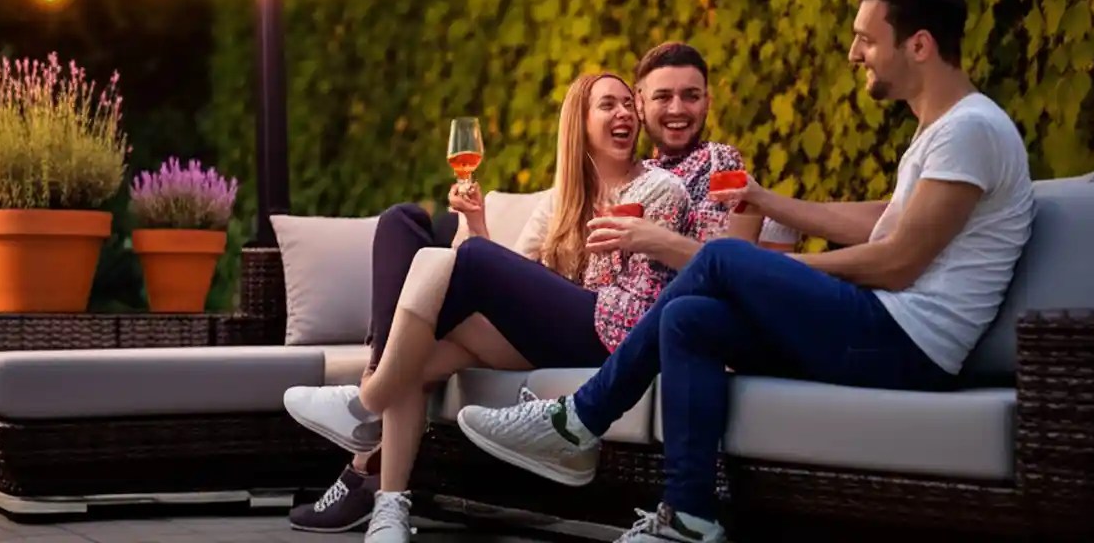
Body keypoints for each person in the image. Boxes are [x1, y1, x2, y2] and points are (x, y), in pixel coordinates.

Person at [455, 0, 1035, 543]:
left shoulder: (970, 129)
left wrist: (766, 271)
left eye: (867, 38)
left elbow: (898, 260)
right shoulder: (941, 132)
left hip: (910, 344)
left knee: (722, 262)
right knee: (689, 318)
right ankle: (688, 518)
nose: (856, 54)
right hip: (883, 329)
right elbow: (881, 222)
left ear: (919, 44)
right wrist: (763, 200)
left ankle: (580, 417)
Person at [288, 42, 752, 533]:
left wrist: (653, 238)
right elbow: (515, 276)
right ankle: (388, 504)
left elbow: (719, 266)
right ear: (635, 106)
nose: (672, 110)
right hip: (557, 324)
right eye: (656, 99)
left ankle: (365, 403)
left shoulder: (688, 174)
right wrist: (477, 223)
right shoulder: (572, 196)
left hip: (616, 327)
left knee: (459, 266)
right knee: (412, 272)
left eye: (689, 96)